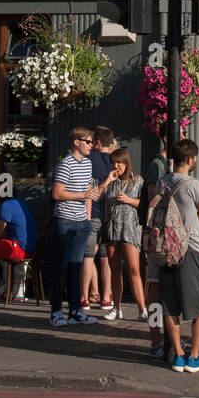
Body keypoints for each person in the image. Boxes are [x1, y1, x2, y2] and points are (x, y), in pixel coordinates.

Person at [157, 138, 199, 373]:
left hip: (165, 249)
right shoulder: (193, 185)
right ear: (190, 160)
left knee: (169, 305)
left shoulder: (163, 182)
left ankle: (178, 354)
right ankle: (195, 356)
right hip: (190, 249)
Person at [50, 127, 99, 327]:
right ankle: (55, 312)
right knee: (60, 267)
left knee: (75, 267)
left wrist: (87, 219)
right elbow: (57, 193)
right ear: (76, 142)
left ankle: (75, 310)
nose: (91, 145)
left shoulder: (87, 164)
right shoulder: (65, 165)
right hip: (65, 221)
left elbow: (89, 189)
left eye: (91, 142)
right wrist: (82, 196)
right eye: (87, 141)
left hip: (81, 223)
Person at [103, 148, 147, 320]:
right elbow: (97, 196)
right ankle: (116, 307)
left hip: (130, 228)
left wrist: (128, 200)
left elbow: (144, 204)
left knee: (133, 269)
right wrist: (107, 181)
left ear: (126, 162)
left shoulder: (137, 181)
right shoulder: (111, 182)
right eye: (113, 163)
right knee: (114, 269)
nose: (116, 166)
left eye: (119, 162)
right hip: (112, 228)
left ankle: (142, 308)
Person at [81, 126, 115, 310]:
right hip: (109, 215)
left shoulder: (88, 160)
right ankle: (106, 297)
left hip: (92, 212)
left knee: (87, 256)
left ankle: (84, 297)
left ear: (97, 142)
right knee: (105, 258)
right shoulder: (115, 161)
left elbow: (88, 188)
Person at [143, 133, 168, 359]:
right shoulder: (156, 165)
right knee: (154, 289)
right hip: (157, 235)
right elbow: (152, 198)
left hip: (170, 239)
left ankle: (169, 339)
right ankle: (155, 339)